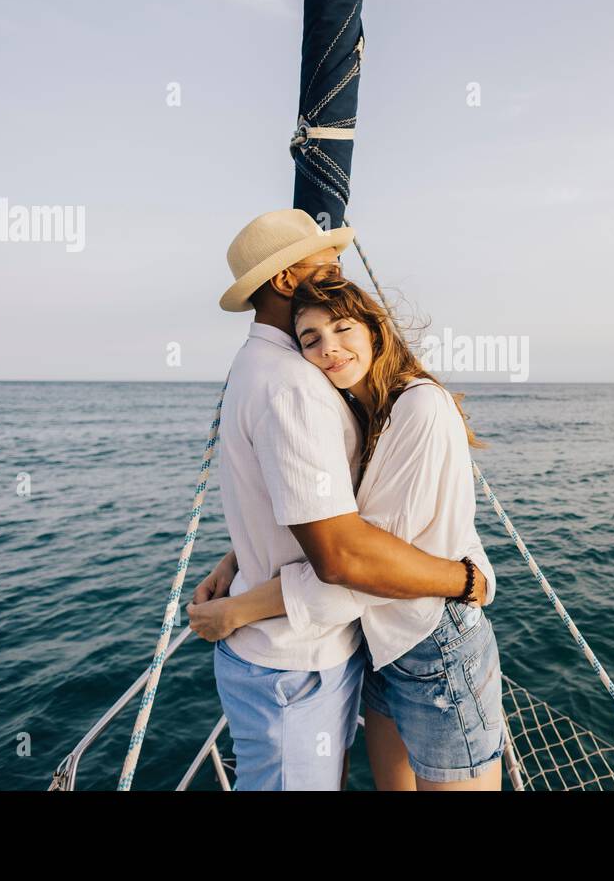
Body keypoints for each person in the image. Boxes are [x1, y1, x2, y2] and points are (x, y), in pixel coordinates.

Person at [186, 208, 487, 791]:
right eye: (327, 264)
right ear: (284, 282)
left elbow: (290, 500)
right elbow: (345, 555)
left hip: (334, 646)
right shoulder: (293, 384)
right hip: (298, 662)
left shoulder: (258, 368)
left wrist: (239, 566)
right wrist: (467, 581)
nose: (342, 273)